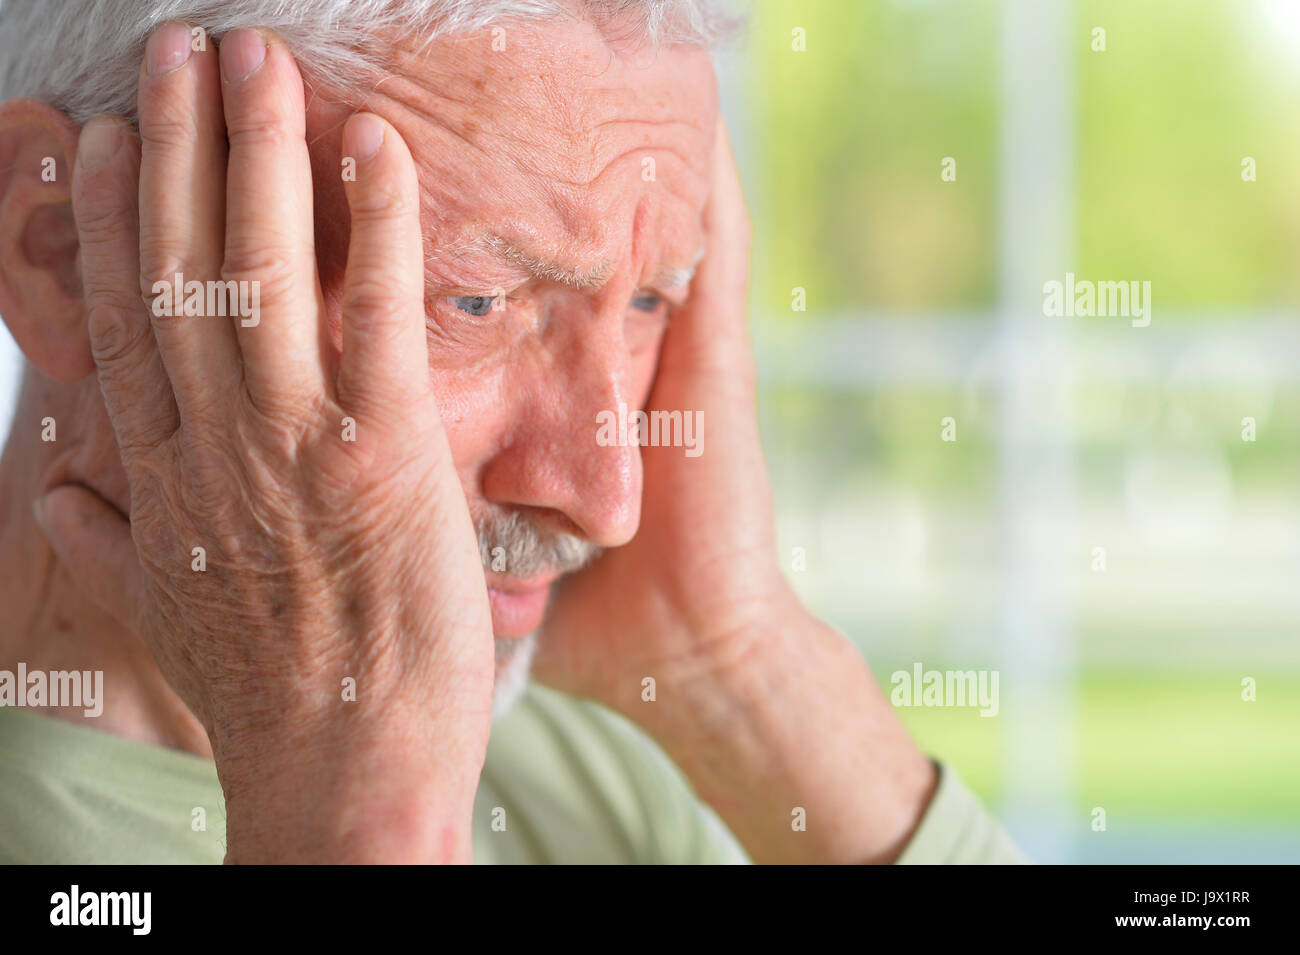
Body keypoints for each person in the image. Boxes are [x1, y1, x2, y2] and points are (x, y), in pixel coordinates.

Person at [0, 0, 1025, 864]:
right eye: (477, 301)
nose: (603, 493)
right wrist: (361, 812)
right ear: (60, 253)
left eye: (648, 300)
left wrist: (740, 667)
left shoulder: (587, 767)